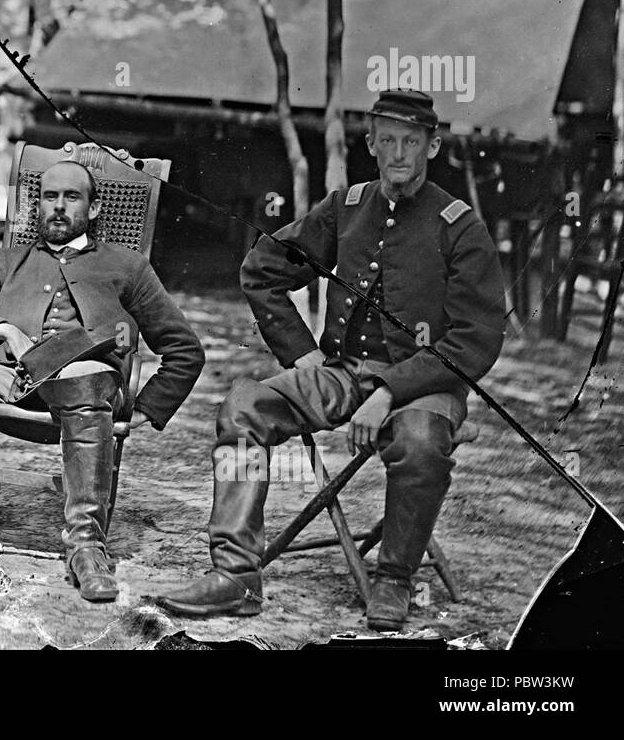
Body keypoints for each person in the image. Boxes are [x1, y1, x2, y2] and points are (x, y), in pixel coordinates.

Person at [156, 90, 505, 630]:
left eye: (411, 142)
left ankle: (393, 579)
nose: (398, 155)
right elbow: (263, 268)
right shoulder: (346, 207)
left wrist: (390, 391)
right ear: (369, 143)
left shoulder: (459, 226)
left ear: (432, 146)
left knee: (417, 442)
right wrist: (303, 355)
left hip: (427, 384)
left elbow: (475, 339)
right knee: (244, 406)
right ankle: (235, 575)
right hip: (342, 372)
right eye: (386, 140)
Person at [0, 158, 204, 602]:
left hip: (87, 384)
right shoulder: (9, 261)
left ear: (95, 208)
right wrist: (2, 328)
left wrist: (145, 409)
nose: (58, 208)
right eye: (49, 197)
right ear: (36, 205)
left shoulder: (127, 266)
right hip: (13, 380)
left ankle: (86, 548)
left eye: (71, 197)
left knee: (84, 376)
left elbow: (185, 349)